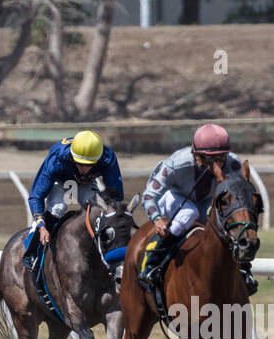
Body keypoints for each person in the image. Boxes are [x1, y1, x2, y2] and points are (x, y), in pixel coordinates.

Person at [139, 123, 257, 295]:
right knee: (189, 213)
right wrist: (156, 218)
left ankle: (244, 269)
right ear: (197, 155)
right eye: (211, 159)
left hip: (206, 200)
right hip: (174, 197)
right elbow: (149, 194)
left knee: (222, 221)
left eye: (221, 158)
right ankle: (152, 263)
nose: (217, 164)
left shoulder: (233, 164)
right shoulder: (176, 164)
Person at [22, 130, 123, 276]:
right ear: (72, 156)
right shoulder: (57, 158)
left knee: (99, 209)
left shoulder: (108, 158)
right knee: (58, 208)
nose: (84, 169)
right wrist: (42, 225)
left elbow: (116, 195)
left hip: (87, 183)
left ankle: (107, 251)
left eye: (89, 165)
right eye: (80, 163)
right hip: (60, 180)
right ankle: (32, 250)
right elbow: (36, 196)